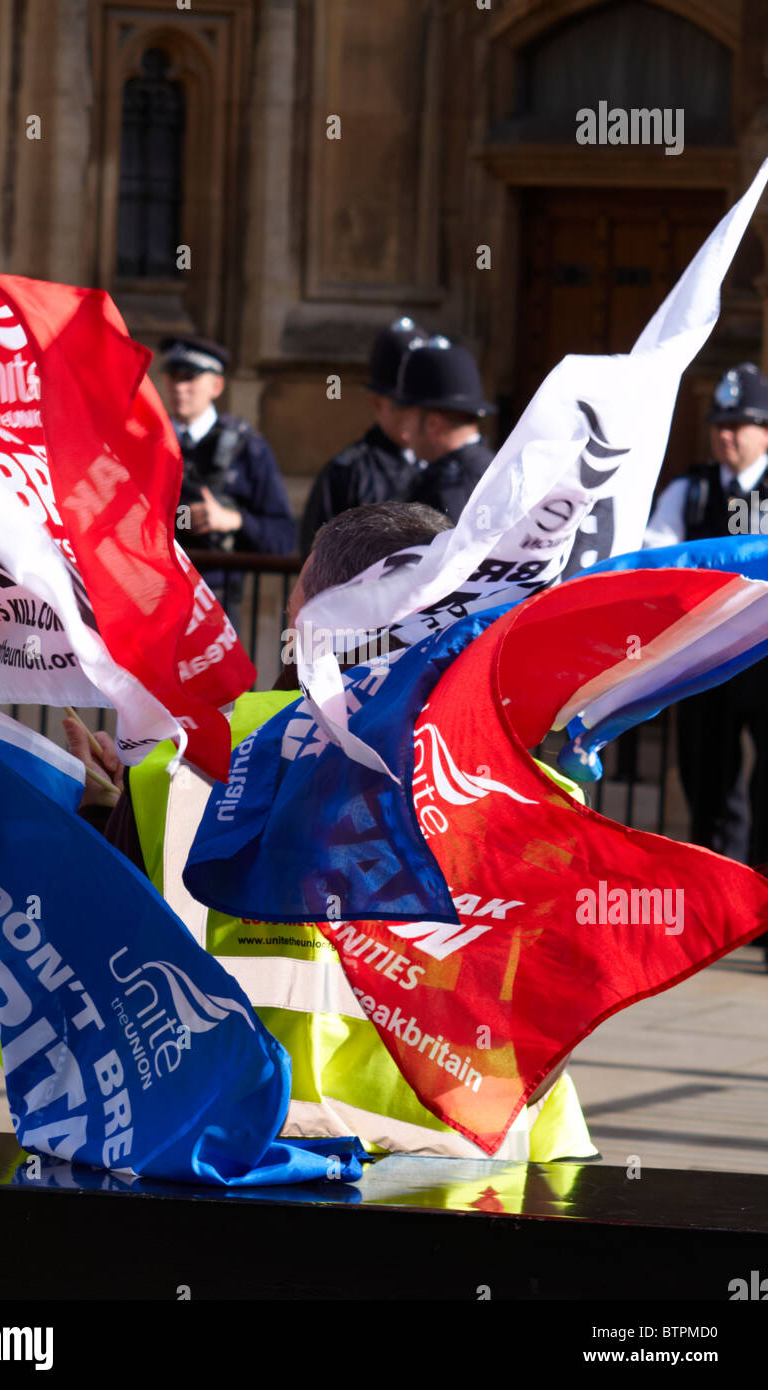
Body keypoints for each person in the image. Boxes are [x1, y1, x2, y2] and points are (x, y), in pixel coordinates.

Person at [66, 502, 597, 1163]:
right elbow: (562, 1012)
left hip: (240, 1169)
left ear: (313, 616)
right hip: (472, 1192)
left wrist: (98, 813)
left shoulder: (185, 764)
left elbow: (85, 969)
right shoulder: (537, 795)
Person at [644, 363, 768, 882]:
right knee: (705, 774)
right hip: (703, 654)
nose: (725, 434)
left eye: (738, 424)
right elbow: (653, 555)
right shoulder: (690, 489)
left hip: (764, 657)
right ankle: (715, 895)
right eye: (719, 422)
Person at [161, 335, 296, 626]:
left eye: (189, 377)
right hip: (155, 601)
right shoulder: (147, 441)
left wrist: (233, 521)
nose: (179, 387)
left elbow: (284, 537)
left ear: (216, 386)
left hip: (215, 608)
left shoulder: (248, 448)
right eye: (173, 376)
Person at [298, 317, 427, 558]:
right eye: (404, 406)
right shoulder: (346, 472)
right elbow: (315, 563)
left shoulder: (453, 467)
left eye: (423, 405)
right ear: (377, 403)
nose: (416, 417)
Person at [394, 336, 496, 521]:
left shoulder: (444, 494)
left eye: (407, 421)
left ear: (433, 424)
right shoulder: (496, 471)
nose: (404, 433)